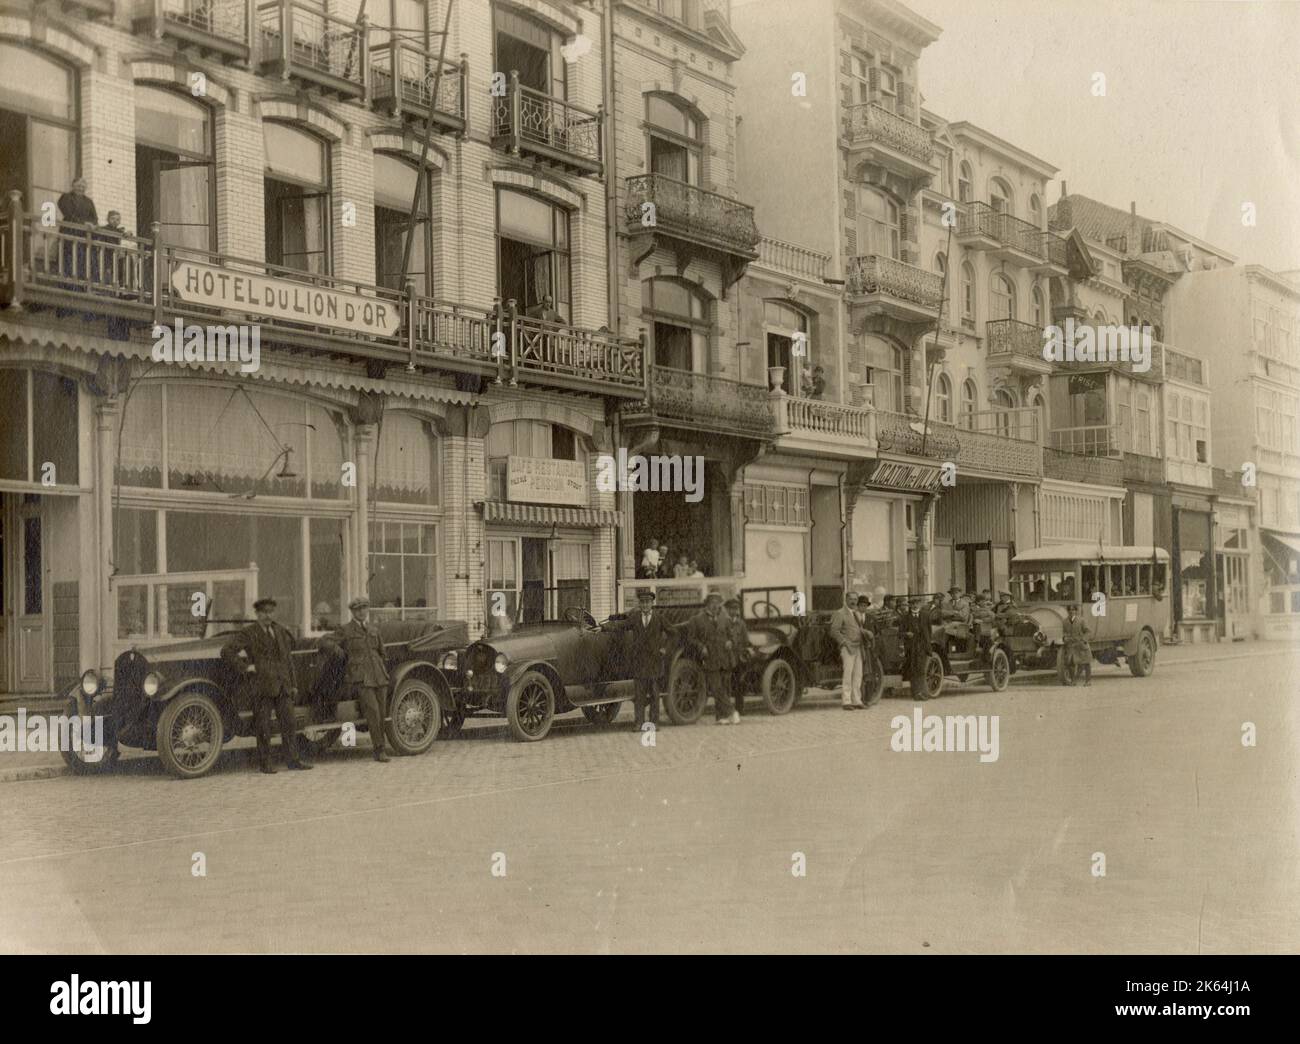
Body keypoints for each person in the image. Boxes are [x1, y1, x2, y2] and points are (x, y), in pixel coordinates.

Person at [221, 597, 313, 773]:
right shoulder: (249, 632)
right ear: (257, 614)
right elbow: (226, 651)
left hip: (283, 685)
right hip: (262, 686)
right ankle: (265, 764)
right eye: (264, 612)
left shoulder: (279, 630)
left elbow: (287, 659)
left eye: (270, 612)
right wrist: (246, 667)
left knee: (289, 723)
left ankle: (293, 761)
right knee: (263, 727)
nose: (267, 616)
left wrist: (293, 684)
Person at [319, 596, 392, 762]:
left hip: (379, 676)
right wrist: (338, 651)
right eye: (357, 609)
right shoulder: (345, 630)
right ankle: (379, 750)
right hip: (361, 678)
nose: (361, 612)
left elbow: (382, 652)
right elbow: (324, 641)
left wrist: (382, 667)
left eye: (364, 608)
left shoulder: (373, 629)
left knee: (381, 713)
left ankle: (381, 746)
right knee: (373, 712)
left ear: (367, 610)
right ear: (352, 612)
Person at [607, 589, 669, 728]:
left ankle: (654, 723)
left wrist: (665, 648)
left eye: (647, 602)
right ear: (640, 604)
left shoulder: (659, 618)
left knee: (654, 695)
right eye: (642, 602)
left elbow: (673, 633)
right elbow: (621, 626)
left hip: (654, 662)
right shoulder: (635, 617)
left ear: (652, 603)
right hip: (639, 662)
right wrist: (605, 627)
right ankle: (639, 723)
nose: (645, 605)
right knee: (639, 695)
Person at [684, 592, 736, 724]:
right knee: (716, 687)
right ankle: (731, 712)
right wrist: (701, 647)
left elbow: (732, 635)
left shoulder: (725, 619)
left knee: (724, 688)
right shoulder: (697, 619)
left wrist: (731, 642)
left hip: (724, 658)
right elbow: (691, 638)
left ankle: (721, 717)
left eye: (717, 602)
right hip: (709, 659)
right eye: (712, 602)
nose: (715, 605)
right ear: (707, 604)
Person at [829, 591, 868, 710]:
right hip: (847, 648)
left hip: (858, 647)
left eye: (855, 599)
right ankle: (846, 701)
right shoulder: (840, 613)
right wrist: (844, 643)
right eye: (851, 599)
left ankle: (857, 700)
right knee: (848, 674)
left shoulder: (856, 613)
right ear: (845, 600)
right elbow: (834, 631)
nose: (853, 601)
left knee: (858, 674)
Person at [724, 598, 752, 716]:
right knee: (726, 684)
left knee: (739, 684)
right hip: (726, 657)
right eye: (731, 609)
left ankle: (740, 709)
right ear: (727, 610)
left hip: (738, 658)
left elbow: (746, 640)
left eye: (735, 609)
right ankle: (726, 709)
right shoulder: (724, 623)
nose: (733, 611)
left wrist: (745, 650)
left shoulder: (741, 624)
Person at [856, 594, 881, 706]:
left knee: (869, 674)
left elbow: (876, 633)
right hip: (857, 648)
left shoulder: (871, 618)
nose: (863, 608)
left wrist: (873, 646)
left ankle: (868, 698)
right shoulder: (854, 618)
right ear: (857, 606)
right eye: (861, 605)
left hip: (868, 649)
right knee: (858, 674)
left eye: (865, 605)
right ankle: (859, 698)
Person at [1062, 603, 1092, 686]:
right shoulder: (1064, 622)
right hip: (1071, 646)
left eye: (1073, 610)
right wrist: (1064, 638)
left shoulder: (1081, 621)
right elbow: (1064, 632)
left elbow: (1088, 631)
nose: (1071, 611)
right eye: (1069, 610)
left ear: (1076, 611)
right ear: (1067, 611)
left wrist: (1084, 640)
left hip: (1081, 645)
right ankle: (1073, 680)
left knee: (1086, 663)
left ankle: (1088, 681)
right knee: (1071, 663)